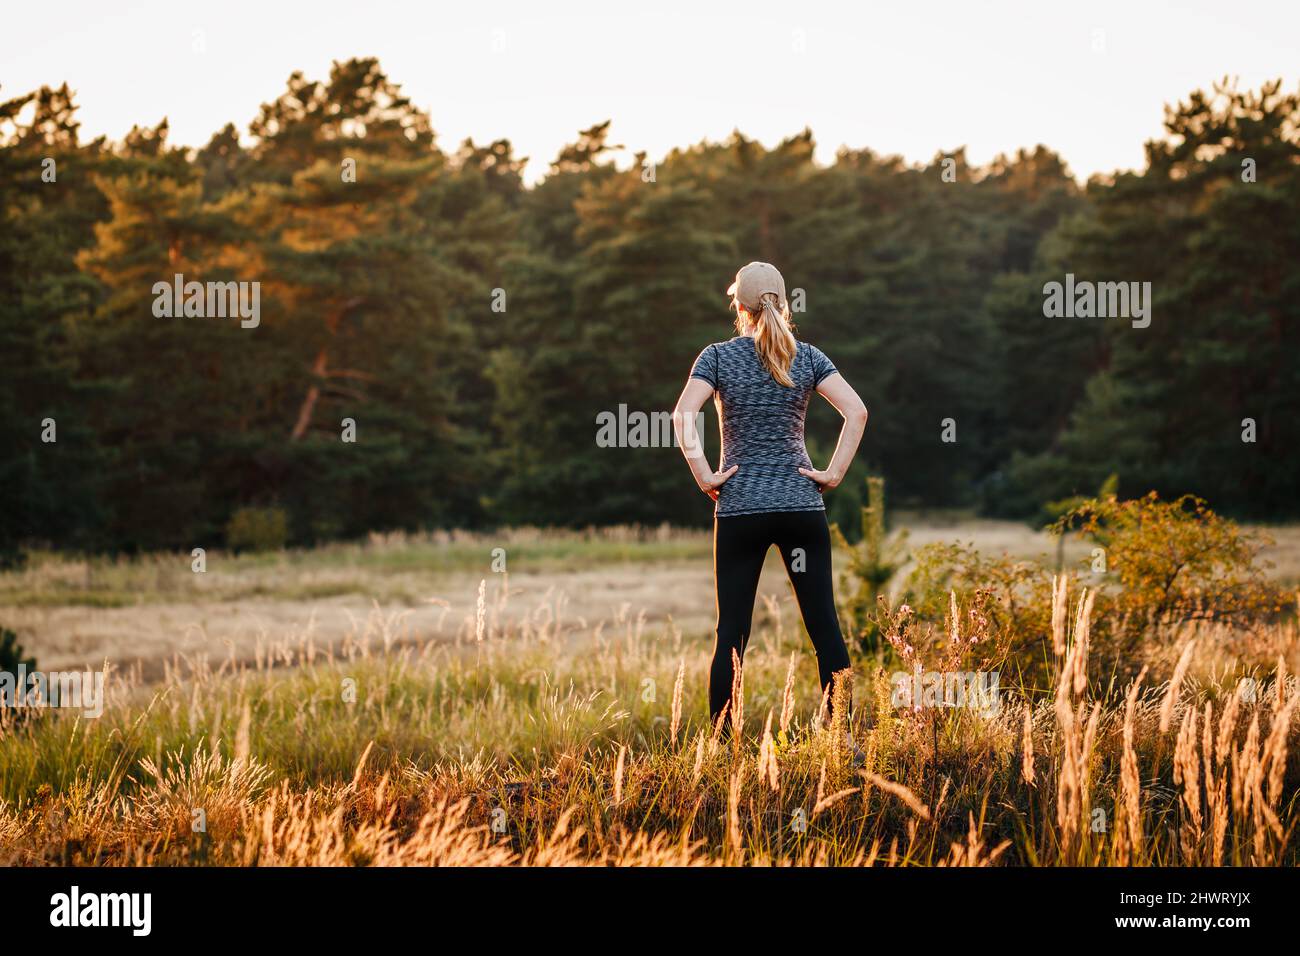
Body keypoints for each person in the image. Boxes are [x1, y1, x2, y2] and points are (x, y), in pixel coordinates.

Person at [672, 261, 868, 733]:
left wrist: (706, 475)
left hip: (740, 506)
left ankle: (721, 749)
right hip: (801, 504)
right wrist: (832, 473)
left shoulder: (717, 357)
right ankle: (841, 739)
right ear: (784, 301)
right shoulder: (810, 356)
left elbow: (683, 416)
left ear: (738, 305)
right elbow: (857, 412)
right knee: (825, 629)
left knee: (731, 635)